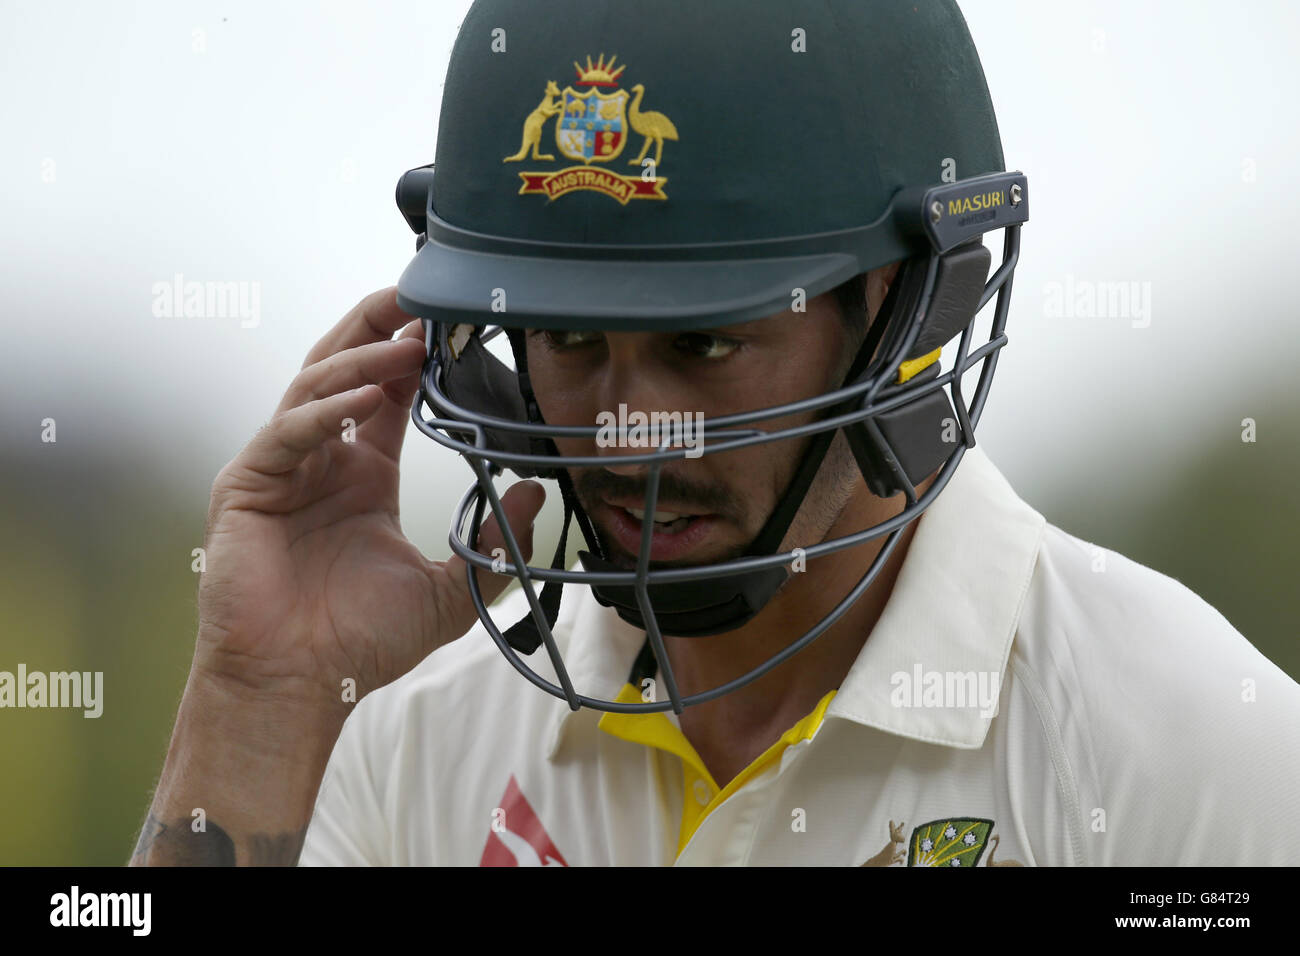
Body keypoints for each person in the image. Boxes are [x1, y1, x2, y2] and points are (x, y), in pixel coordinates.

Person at [131, 0, 1300, 867]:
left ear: (911, 310)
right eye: (569, 343)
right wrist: (260, 701)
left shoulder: (1181, 750)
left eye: (704, 343)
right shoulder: (412, 744)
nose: (628, 432)